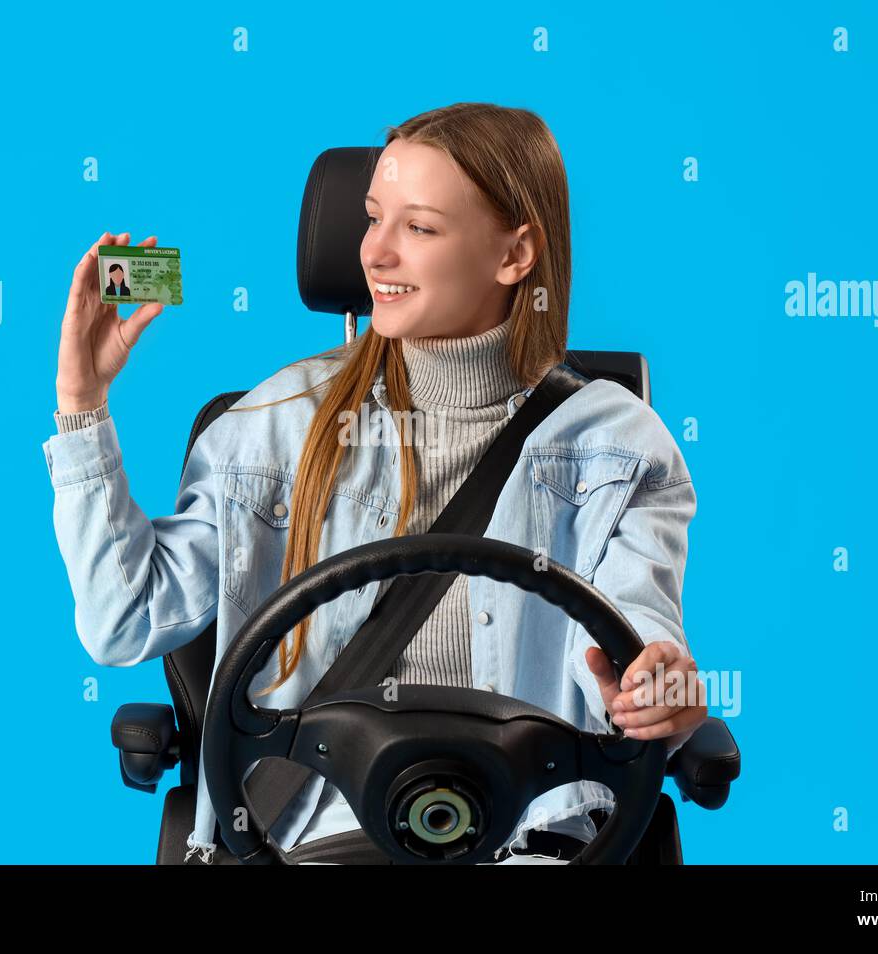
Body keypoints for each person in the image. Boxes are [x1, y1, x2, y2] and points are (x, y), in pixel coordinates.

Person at [44, 102, 707, 865]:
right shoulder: (278, 425)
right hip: (313, 847)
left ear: (515, 253)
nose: (376, 256)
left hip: (530, 845)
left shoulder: (614, 447)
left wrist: (660, 693)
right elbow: (122, 621)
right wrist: (82, 406)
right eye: (371, 219)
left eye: (418, 228)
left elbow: (640, 642)